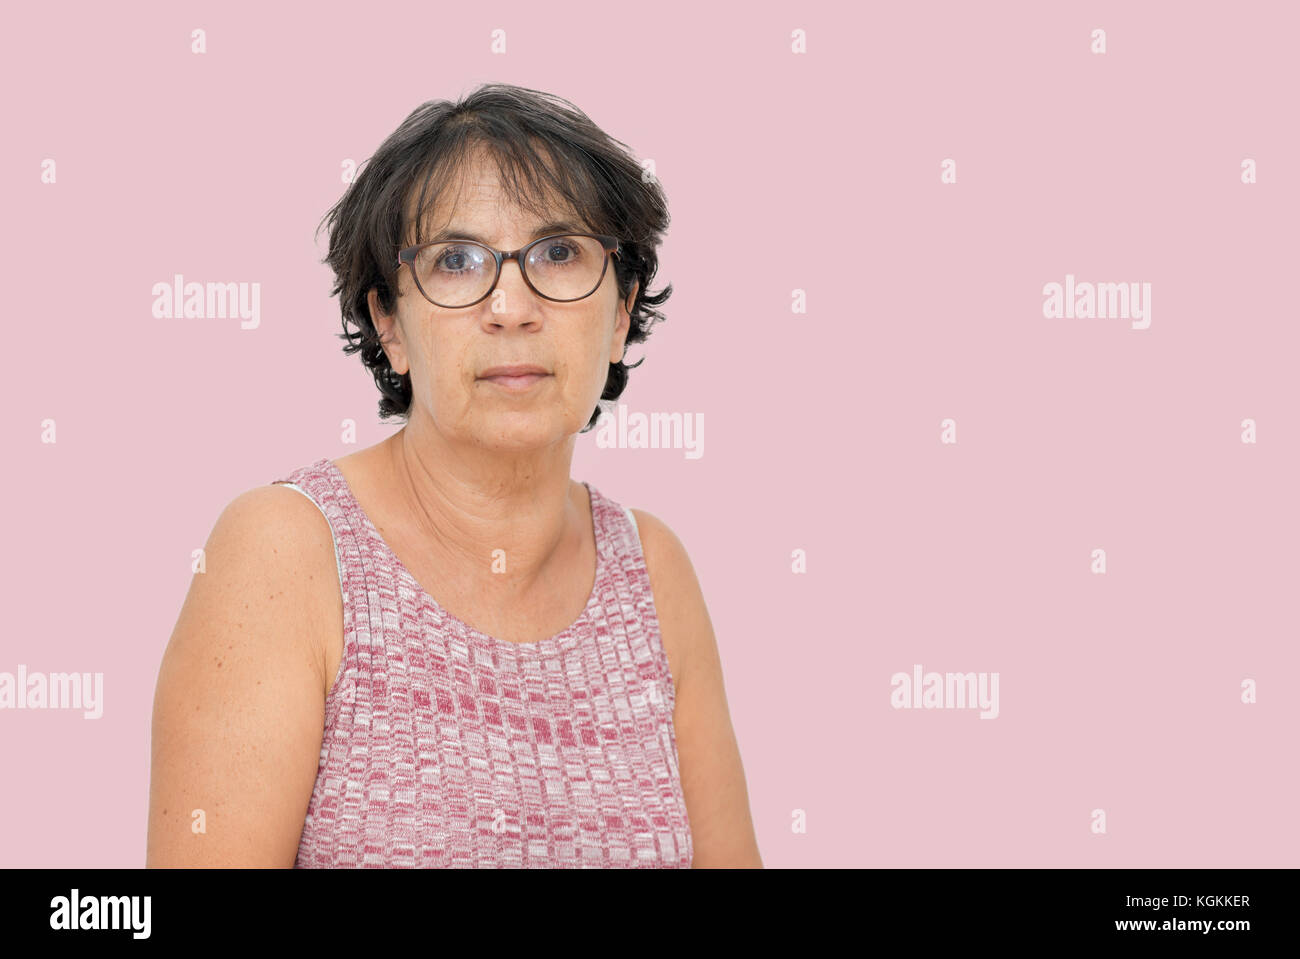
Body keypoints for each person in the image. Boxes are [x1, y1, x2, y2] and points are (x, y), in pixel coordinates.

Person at [146, 82, 762, 868]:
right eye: (457, 260)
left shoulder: (654, 569)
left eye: (560, 251)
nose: (511, 306)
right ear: (389, 325)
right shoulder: (284, 552)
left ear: (619, 312)